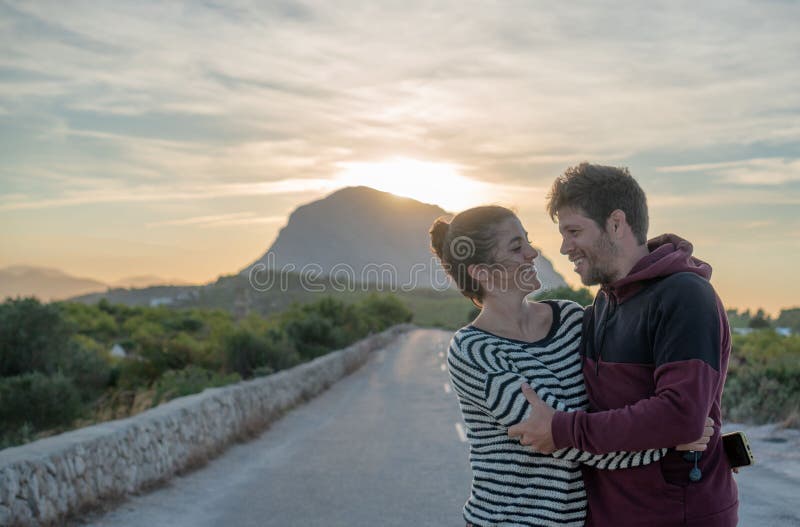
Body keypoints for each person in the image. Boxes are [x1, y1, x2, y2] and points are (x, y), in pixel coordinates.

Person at [430, 206, 711, 527]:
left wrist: (676, 418)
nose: (532, 252)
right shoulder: (473, 350)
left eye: (528, 240)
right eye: (516, 247)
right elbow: (559, 439)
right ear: (481, 272)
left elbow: (612, 401)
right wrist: (667, 440)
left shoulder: (571, 319)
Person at [508, 163, 738, 526]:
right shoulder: (603, 302)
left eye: (574, 231)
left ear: (616, 223)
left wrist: (563, 430)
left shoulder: (685, 295)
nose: (565, 247)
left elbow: (681, 416)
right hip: (609, 511)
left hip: (675, 514)